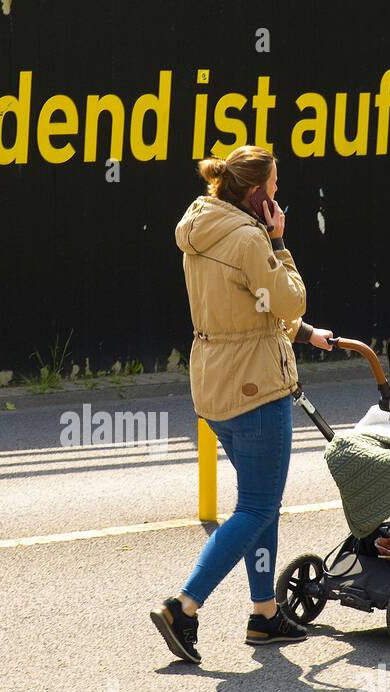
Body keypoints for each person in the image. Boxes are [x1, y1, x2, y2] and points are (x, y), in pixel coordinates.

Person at [150, 145, 335, 665]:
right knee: (255, 507)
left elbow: (244, 307)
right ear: (256, 194)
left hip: (214, 385)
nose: (279, 194)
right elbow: (287, 299)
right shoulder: (252, 238)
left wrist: (305, 335)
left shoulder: (200, 225)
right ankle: (183, 607)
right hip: (257, 387)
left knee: (261, 503)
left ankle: (264, 613)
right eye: (274, 186)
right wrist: (280, 243)